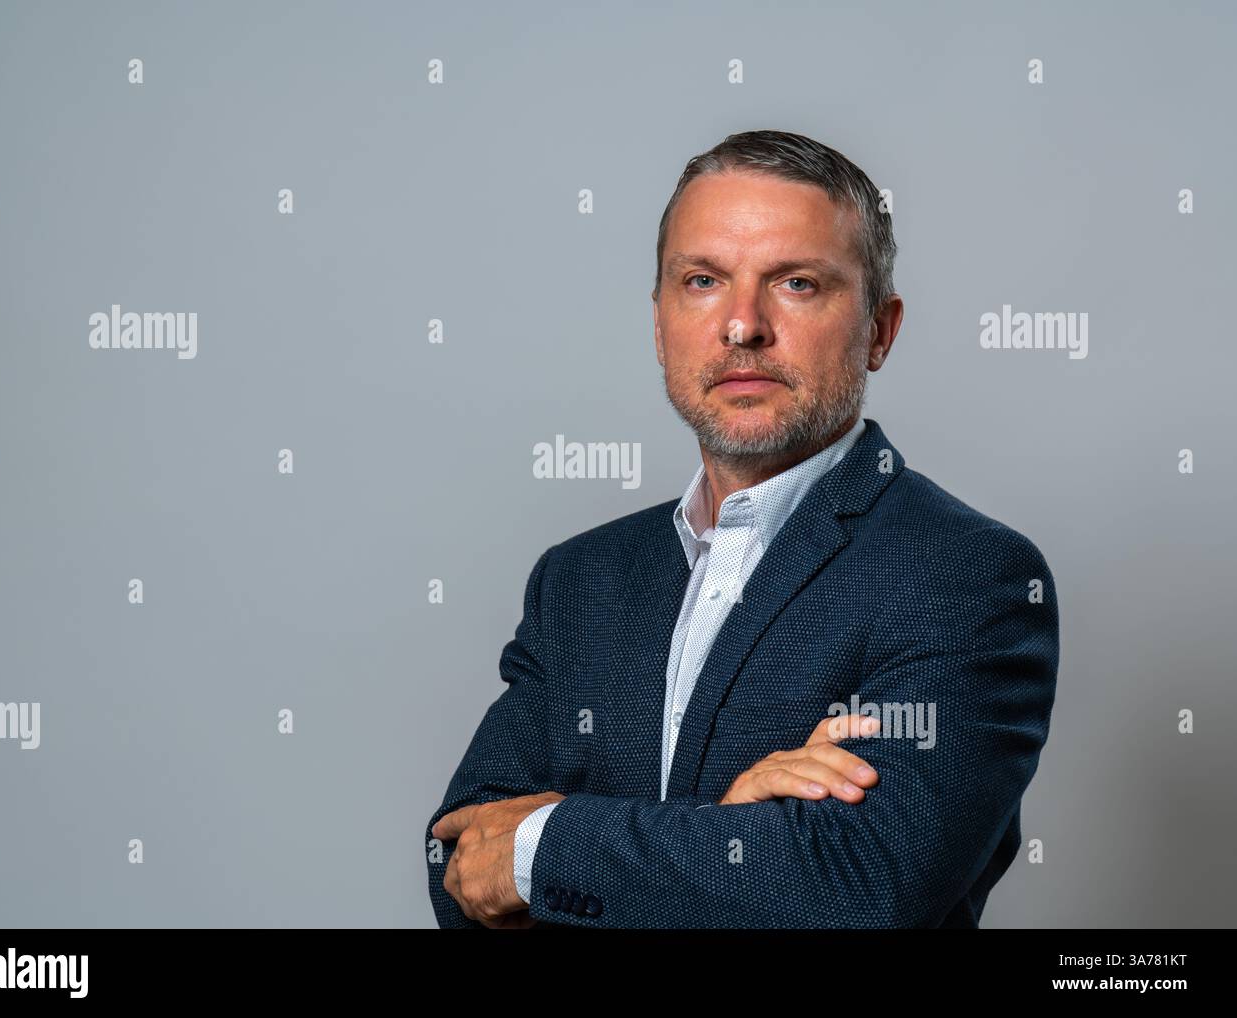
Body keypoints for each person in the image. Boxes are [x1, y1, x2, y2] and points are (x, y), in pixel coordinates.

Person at [425, 129, 1059, 928]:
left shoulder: (963, 578)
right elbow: (458, 862)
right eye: (702, 281)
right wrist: (728, 827)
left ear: (879, 331)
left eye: (796, 282)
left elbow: (861, 886)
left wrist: (545, 852)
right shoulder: (581, 580)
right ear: (659, 324)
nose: (742, 326)